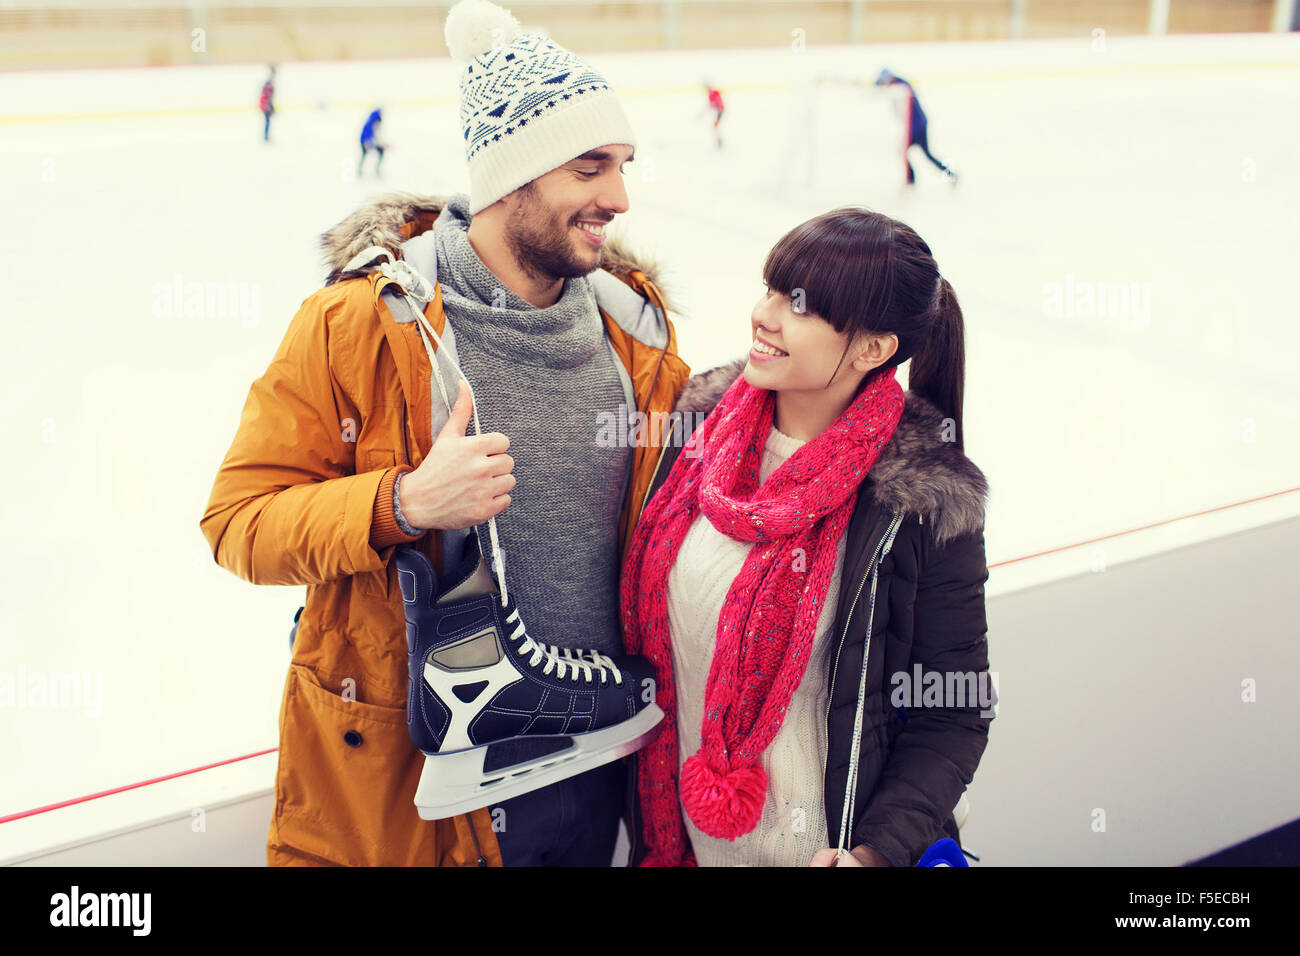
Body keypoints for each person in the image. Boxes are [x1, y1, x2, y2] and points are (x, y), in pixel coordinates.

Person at [200, 0, 690, 867]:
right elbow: (240, 524)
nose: (618, 197)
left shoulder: (635, 330)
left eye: (622, 165)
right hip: (429, 779)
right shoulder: (362, 324)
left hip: (603, 755)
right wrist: (404, 501)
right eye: (588, 168)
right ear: (512, 177)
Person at [620, 207, 994, 867]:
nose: (764, 314)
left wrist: (875, 854)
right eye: (770, 288)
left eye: (799, 306)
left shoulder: (921, 500)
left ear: (873, 349)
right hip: (683, 844)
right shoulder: (695, 439)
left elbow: (953, 713)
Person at [875, 68, 958, 188]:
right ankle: (948, 174)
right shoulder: (900, 84)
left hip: (916, 127)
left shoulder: (901, 87)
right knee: (921, 154)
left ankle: (911, 181)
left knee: (912, 153)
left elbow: (891, 93)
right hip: (918, 125)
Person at [358, 107, 386, 177]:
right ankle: (361, 169)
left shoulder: (371, 124)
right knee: (365, 153)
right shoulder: (369, 127)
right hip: (365, 142)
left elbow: (376, 138)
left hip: (368, 142)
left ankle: (375, 169)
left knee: (380, 151)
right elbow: (367, 140)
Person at [259, 65, 276, 142]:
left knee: (268, 121)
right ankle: (266, 136)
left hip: (265, 105)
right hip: (265, 105)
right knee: (267, 121)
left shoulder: (269, 85)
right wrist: (268, 106)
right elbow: (267, 96)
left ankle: (266, 135)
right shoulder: (268, 85)